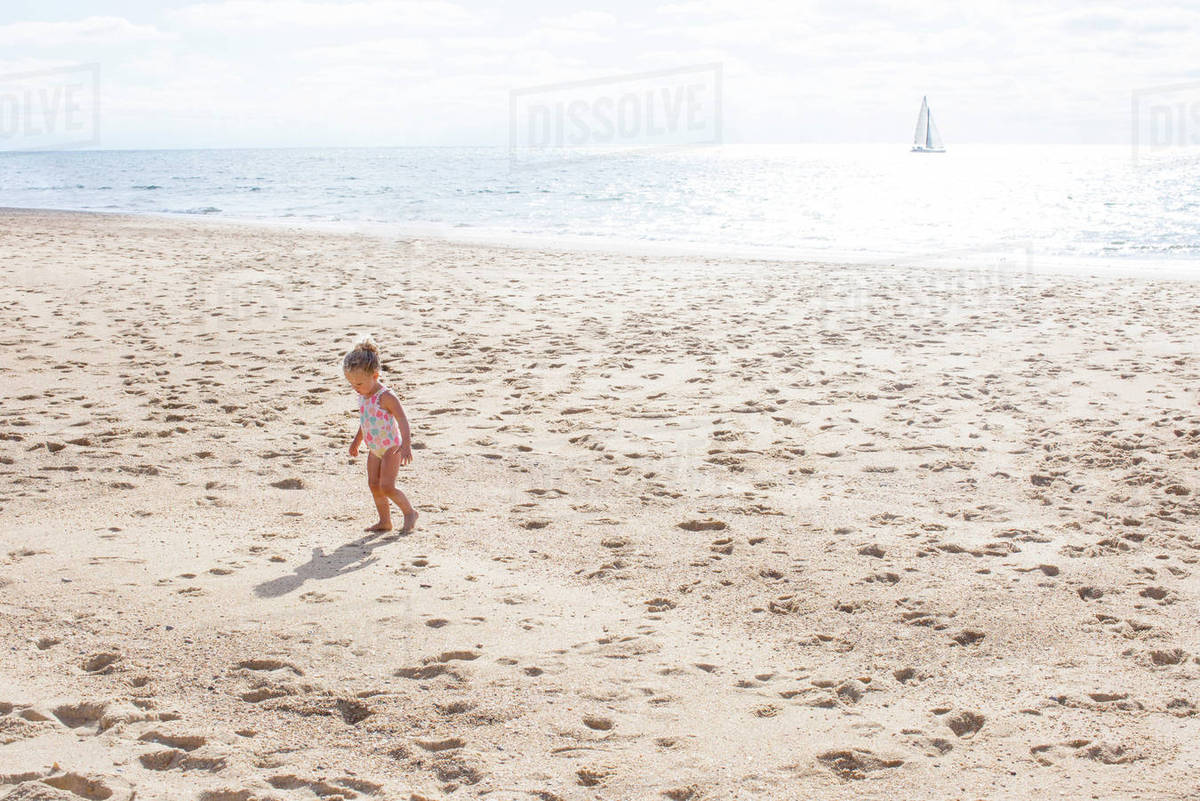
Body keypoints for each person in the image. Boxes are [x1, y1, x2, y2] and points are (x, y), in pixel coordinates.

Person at [343, 335, 418, 533]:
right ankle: (385, 521)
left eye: (358, 384)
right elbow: (365, 421)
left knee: (387, 486)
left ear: (375, 376)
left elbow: (402, 420)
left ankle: (410, 512)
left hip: (391, 447)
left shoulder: (386, 396)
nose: (355, 388)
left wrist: (406, 445)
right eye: (351, 384)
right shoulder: (363, 396)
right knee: (373, 484)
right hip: (373, 448)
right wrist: (356, 442)